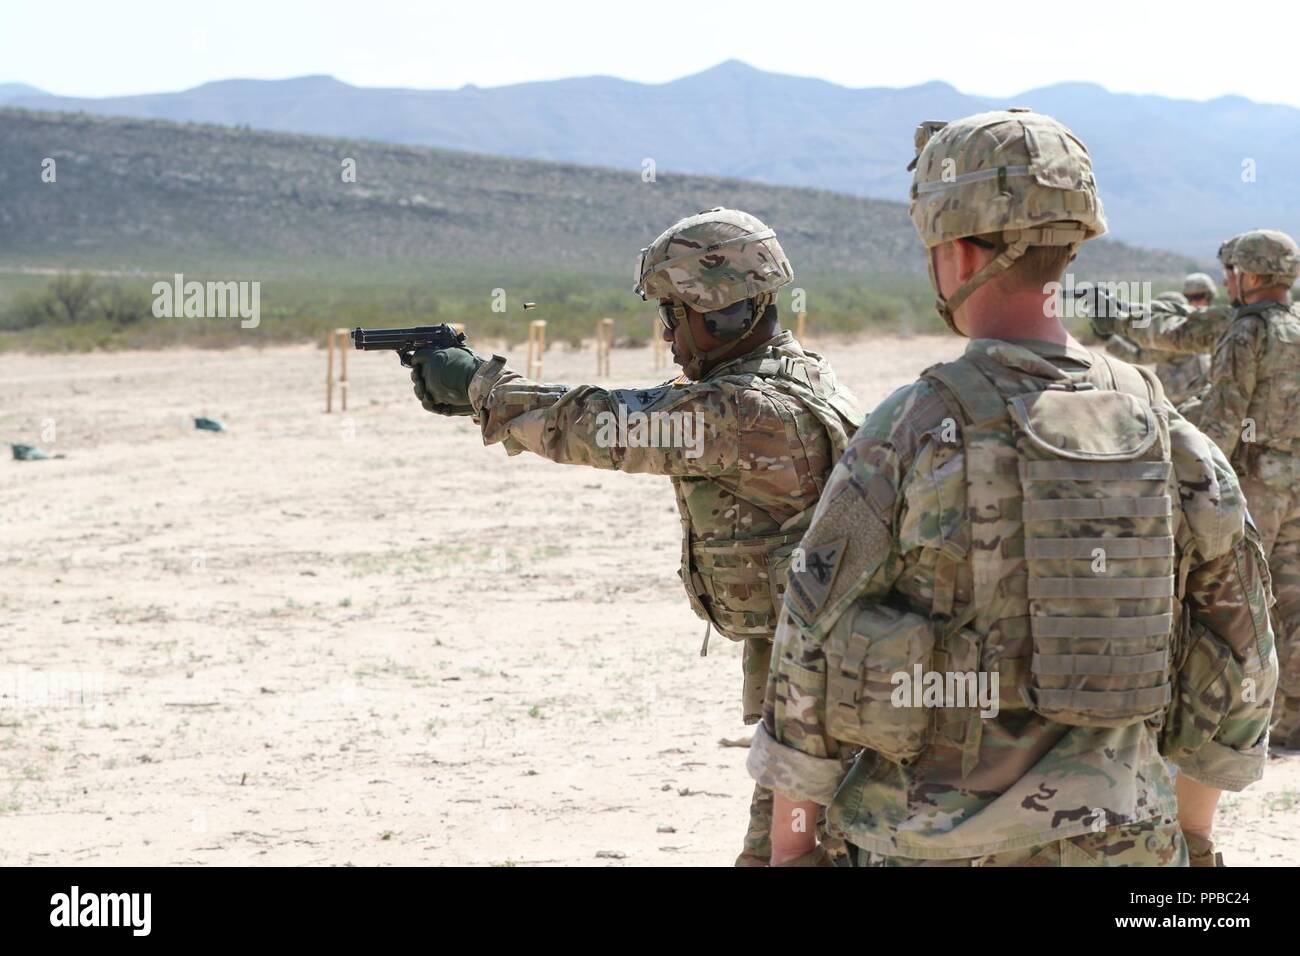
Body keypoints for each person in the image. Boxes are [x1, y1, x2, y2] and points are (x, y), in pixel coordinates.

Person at [748, 109, 1277, 868]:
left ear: (959, 256)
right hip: (1126, 838)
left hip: (925, 846)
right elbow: (1240, 653)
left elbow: (808, 647)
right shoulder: (1167, 429)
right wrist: (1187, 839)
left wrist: (791, 851)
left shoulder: (909, 428)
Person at [408, 207, 863, 865]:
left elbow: (609, 427)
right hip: (833, 681)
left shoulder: (743, 411)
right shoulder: (800, 377)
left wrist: (480, 385)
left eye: (671, 315)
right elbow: (640, 410)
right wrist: (493, 399)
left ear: (708, 313)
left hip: (827, 698)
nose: (669, 335)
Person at [1186, 229, 1300, 754]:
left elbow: (1223, 418)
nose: (1228, 280)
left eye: (1233, 271)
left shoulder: (1246, 332)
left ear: (1252, 277)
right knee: (1294, 602)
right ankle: (1292, 726)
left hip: (1257, 486)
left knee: (1241, 605)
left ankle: (1234, 724)